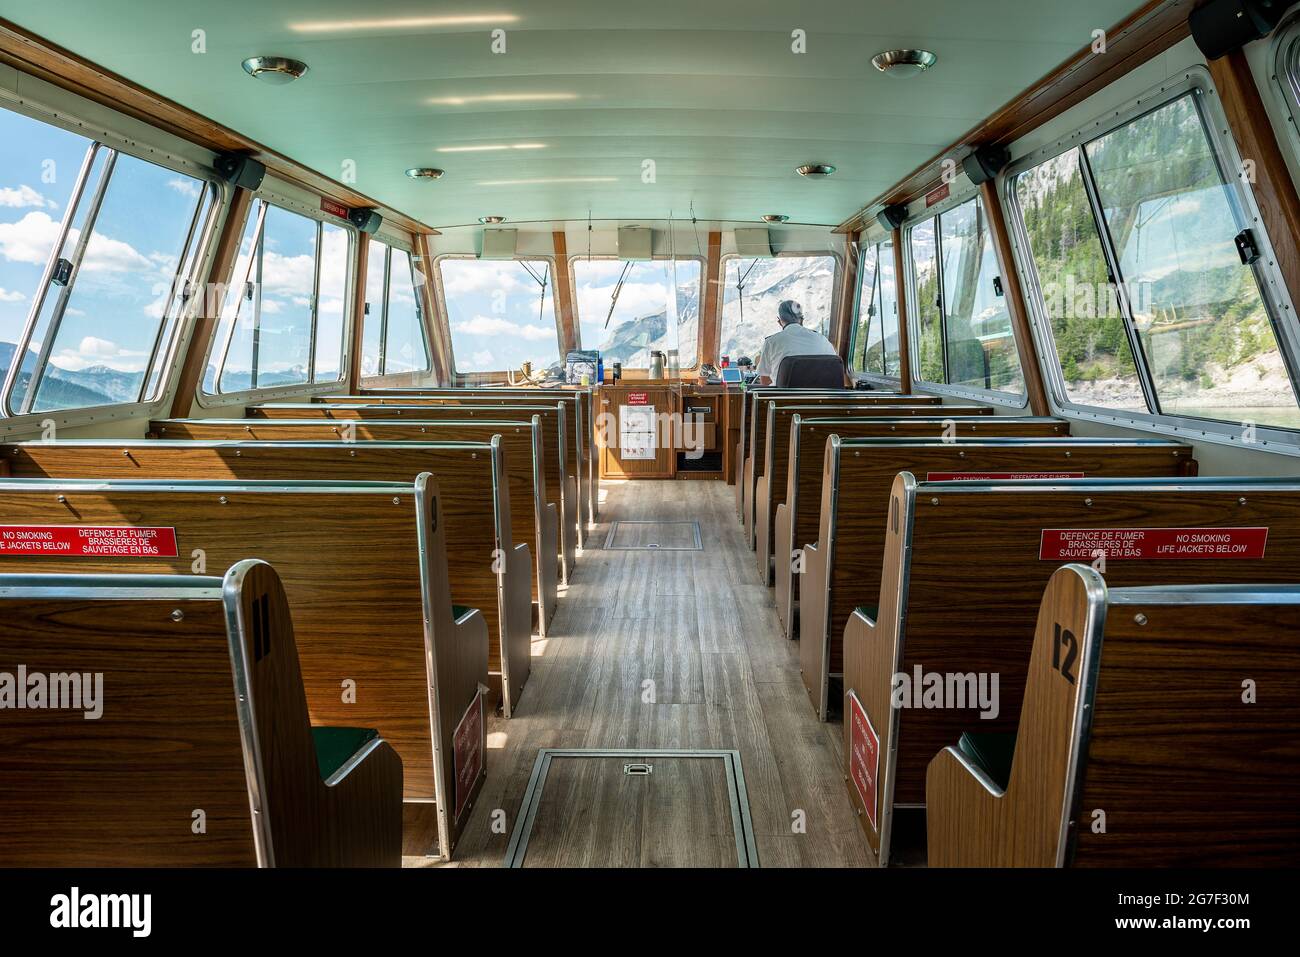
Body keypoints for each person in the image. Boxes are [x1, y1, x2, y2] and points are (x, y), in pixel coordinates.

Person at [753, 300, 840, 385]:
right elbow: (835, 368)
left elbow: (765, 382)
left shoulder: (771, 342)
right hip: (819, 398)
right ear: (802, 319)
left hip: (784, 398)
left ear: (779, 321)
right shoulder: (822, 339)